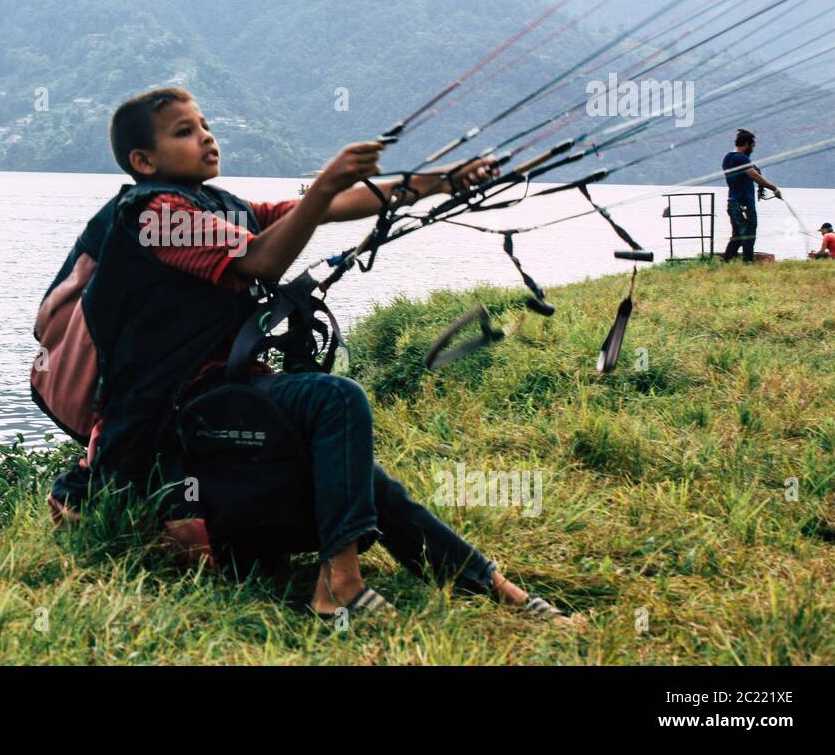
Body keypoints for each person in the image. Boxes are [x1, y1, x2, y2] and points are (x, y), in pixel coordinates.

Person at [47, 87, 577, 624]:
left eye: (205, 124)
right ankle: (337, 587)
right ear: (144, 161)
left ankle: (494, 586)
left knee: (366, 480)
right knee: (334, 398)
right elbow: (261, 261)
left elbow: (322, 208)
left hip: (220, 397)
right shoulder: (155, 215)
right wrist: (326, 182)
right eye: (184, 131)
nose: (206, 136)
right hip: (176, 411)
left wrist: (440, 182)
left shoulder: (225, 208)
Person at [721, 128, 780, 263]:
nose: (752, 149)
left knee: (738, 236)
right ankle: (747, 263)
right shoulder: (741, 158)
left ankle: (727, 262)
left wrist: (760, 187)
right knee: (748, 235)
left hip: (732, 203)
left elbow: (754, 172)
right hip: (744, 204)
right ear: (746, 144)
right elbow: (754, 175)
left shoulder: (728, 158)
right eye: (752, 146)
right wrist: (774, 188)